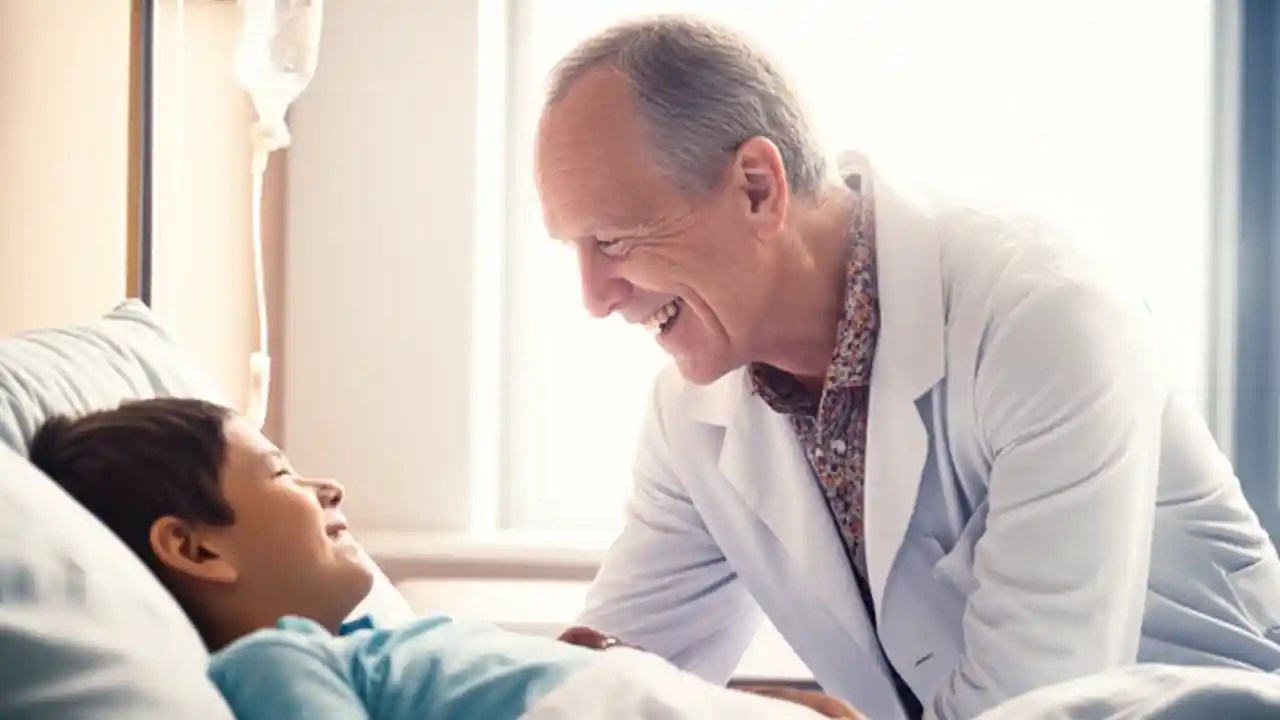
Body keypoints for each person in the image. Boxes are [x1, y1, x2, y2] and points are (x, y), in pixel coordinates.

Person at [534, 15, 1280, 720]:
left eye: (615, 240)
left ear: (758, 187)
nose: (596, 300)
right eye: (574, 250)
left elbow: (1038, 708)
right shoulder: (690, 417)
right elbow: (607, 687)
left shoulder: (1044, 317)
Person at [28, 398, 860, 720]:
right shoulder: (272, 662)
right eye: (280, 470)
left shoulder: (379, 650)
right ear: (195, 546)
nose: (327, 486)